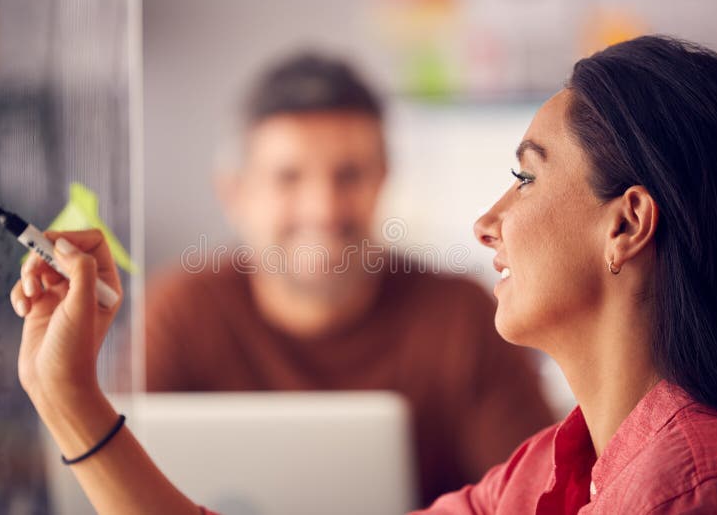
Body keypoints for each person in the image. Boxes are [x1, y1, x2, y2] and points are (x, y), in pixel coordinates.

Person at [10, 35, 717, 514]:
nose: (485, 221)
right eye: (291, 177)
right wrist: (66, 392)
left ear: (627, 225)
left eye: (526, 177)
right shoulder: (555, 467)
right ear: (235, 191)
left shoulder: (688, 486)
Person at [144, 52, 554, 504]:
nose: (323, 208)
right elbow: (120, 486)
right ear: (236, 193)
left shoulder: (462, 315)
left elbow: (538, 497)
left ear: (383, 181)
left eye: (350, 175)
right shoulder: (180, 314)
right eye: (288, 177)